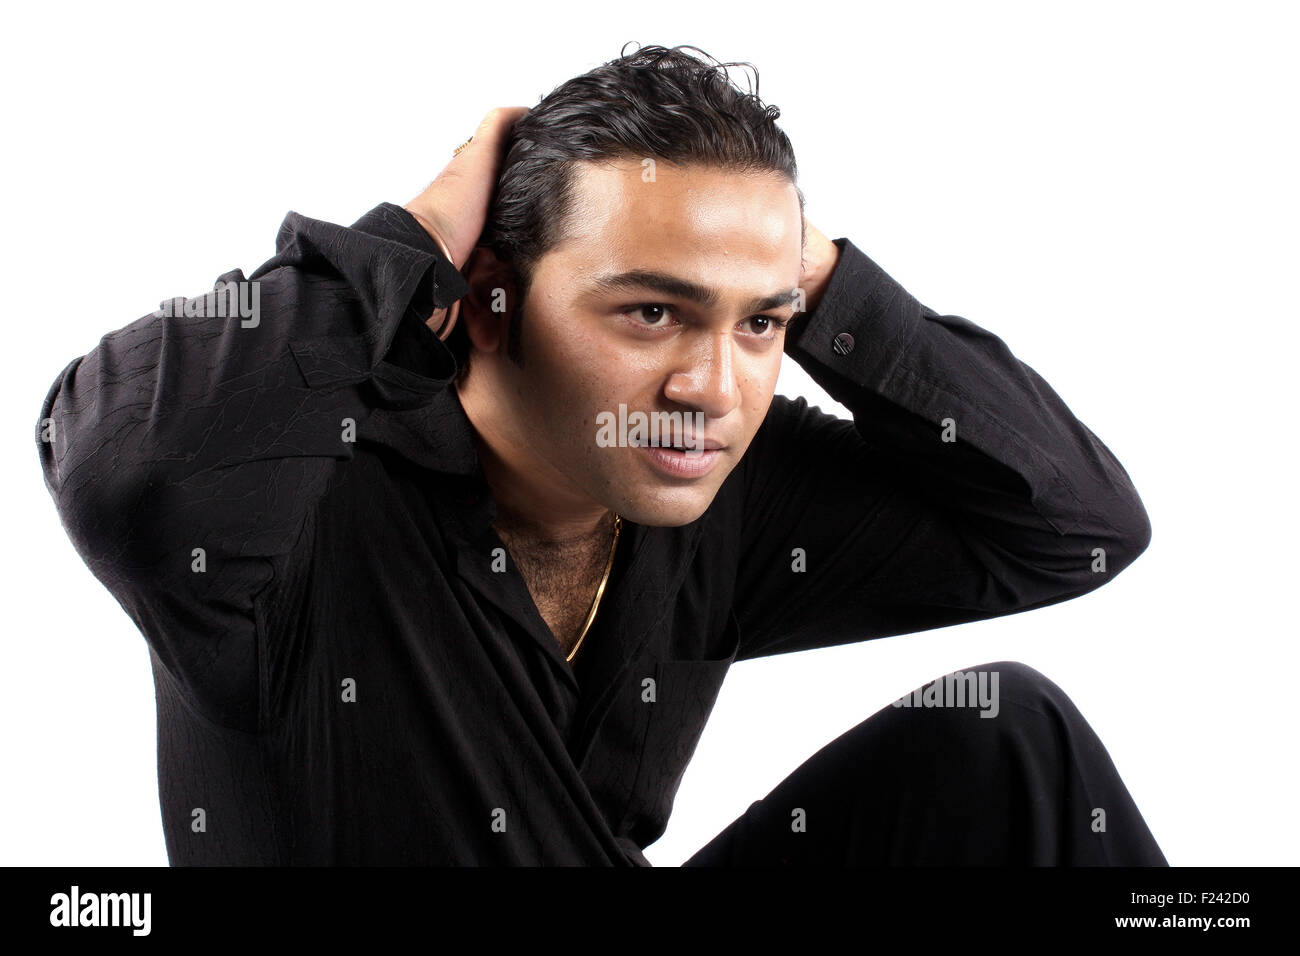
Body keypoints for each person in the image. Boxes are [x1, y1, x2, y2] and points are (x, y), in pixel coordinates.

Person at [34, 44, 1167, 865]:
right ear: (487, 300)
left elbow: (1076, 531)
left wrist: (811, 276)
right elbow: (124, 471)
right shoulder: (303, 491)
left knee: (1007, 742)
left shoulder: (717, 479)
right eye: (651, 314)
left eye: (759, 324)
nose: (713, 387)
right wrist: (405, 243)